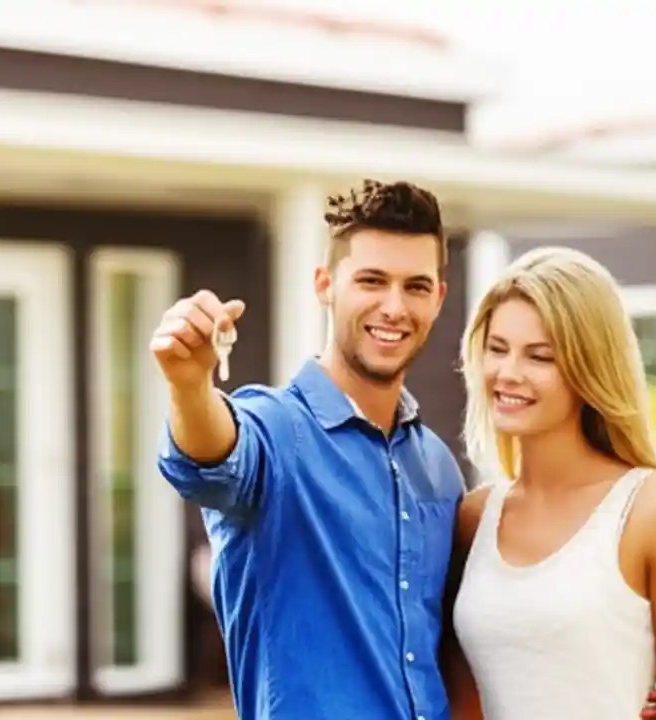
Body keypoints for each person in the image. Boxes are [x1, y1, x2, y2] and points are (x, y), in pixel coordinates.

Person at [153, 179, 464, 720]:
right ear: (325, 285)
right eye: (372, 280)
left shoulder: (436, 464)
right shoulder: (274, 430)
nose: (394, 306)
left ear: (438, 297)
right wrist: (189, 386)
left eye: (415, 286)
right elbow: (210, 457)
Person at [441, 247, 656, 720]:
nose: (508, 373)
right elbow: (460, 704)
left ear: (589, 367)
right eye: (497, 348)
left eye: (540, 356)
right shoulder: (471, 518)